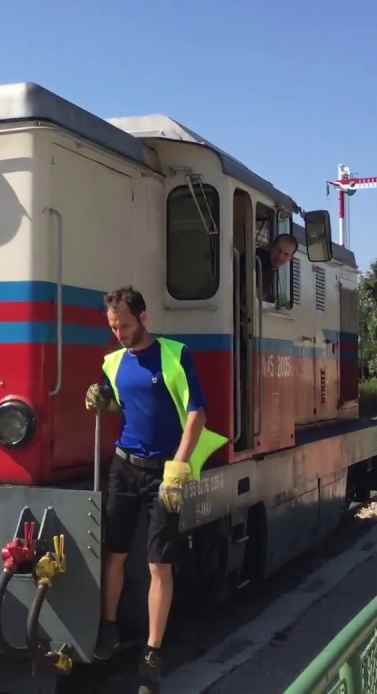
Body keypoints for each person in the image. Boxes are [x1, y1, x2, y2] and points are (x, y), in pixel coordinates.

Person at [84, 286, 228, 693]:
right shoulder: (112, 362)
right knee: (114, 553)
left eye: (125, 325)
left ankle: (151, 655)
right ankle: (108, 629)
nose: (119, 333)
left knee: (157, 565)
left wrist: (178, 468)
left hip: (163, 475)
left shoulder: (174, 355)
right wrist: (98, 398)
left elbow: (197, 412)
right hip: (124, 469)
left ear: (144, 318)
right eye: (113, 326)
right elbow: (118, 402)